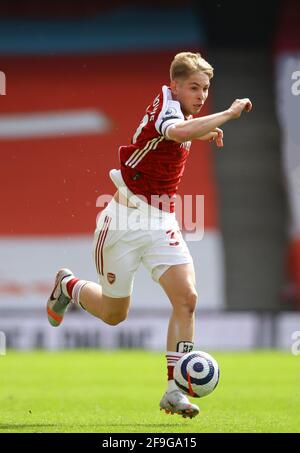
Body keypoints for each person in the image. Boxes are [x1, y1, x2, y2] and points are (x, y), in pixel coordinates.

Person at [47, 52, 252, 418]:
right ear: (175, 85)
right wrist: (227, 114)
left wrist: (204, 130)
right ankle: (67, 286)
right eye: (194, 87)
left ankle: (174, 391)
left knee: (187, 298)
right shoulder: (167, 108)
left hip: (161, 221)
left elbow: (175, 138)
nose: (202, 95)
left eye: (205, 89)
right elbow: (175, 132)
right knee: (114, 315)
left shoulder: (183, 112)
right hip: (124, 221)